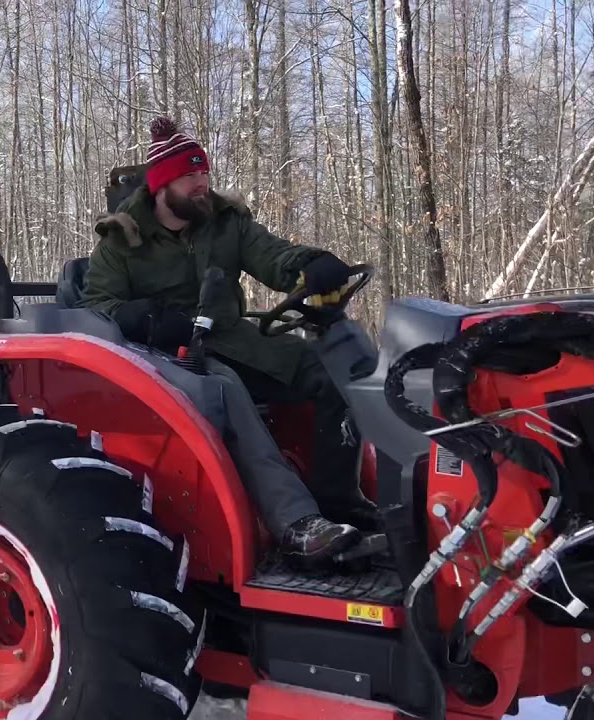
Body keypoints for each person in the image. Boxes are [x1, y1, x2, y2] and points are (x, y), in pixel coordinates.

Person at [81, 116, 378, 559]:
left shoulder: (224, 222)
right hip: (164, 356)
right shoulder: (121, 241)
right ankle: (296, 523)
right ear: (163, 185)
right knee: (225, 390)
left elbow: (271, 253)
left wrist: (311, 263)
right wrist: (138, 316)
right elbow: (96, 308)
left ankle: (339, 500)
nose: (202, 184)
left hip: (231, 339)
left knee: (329, 368)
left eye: (204, 173)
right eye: (190, 176)